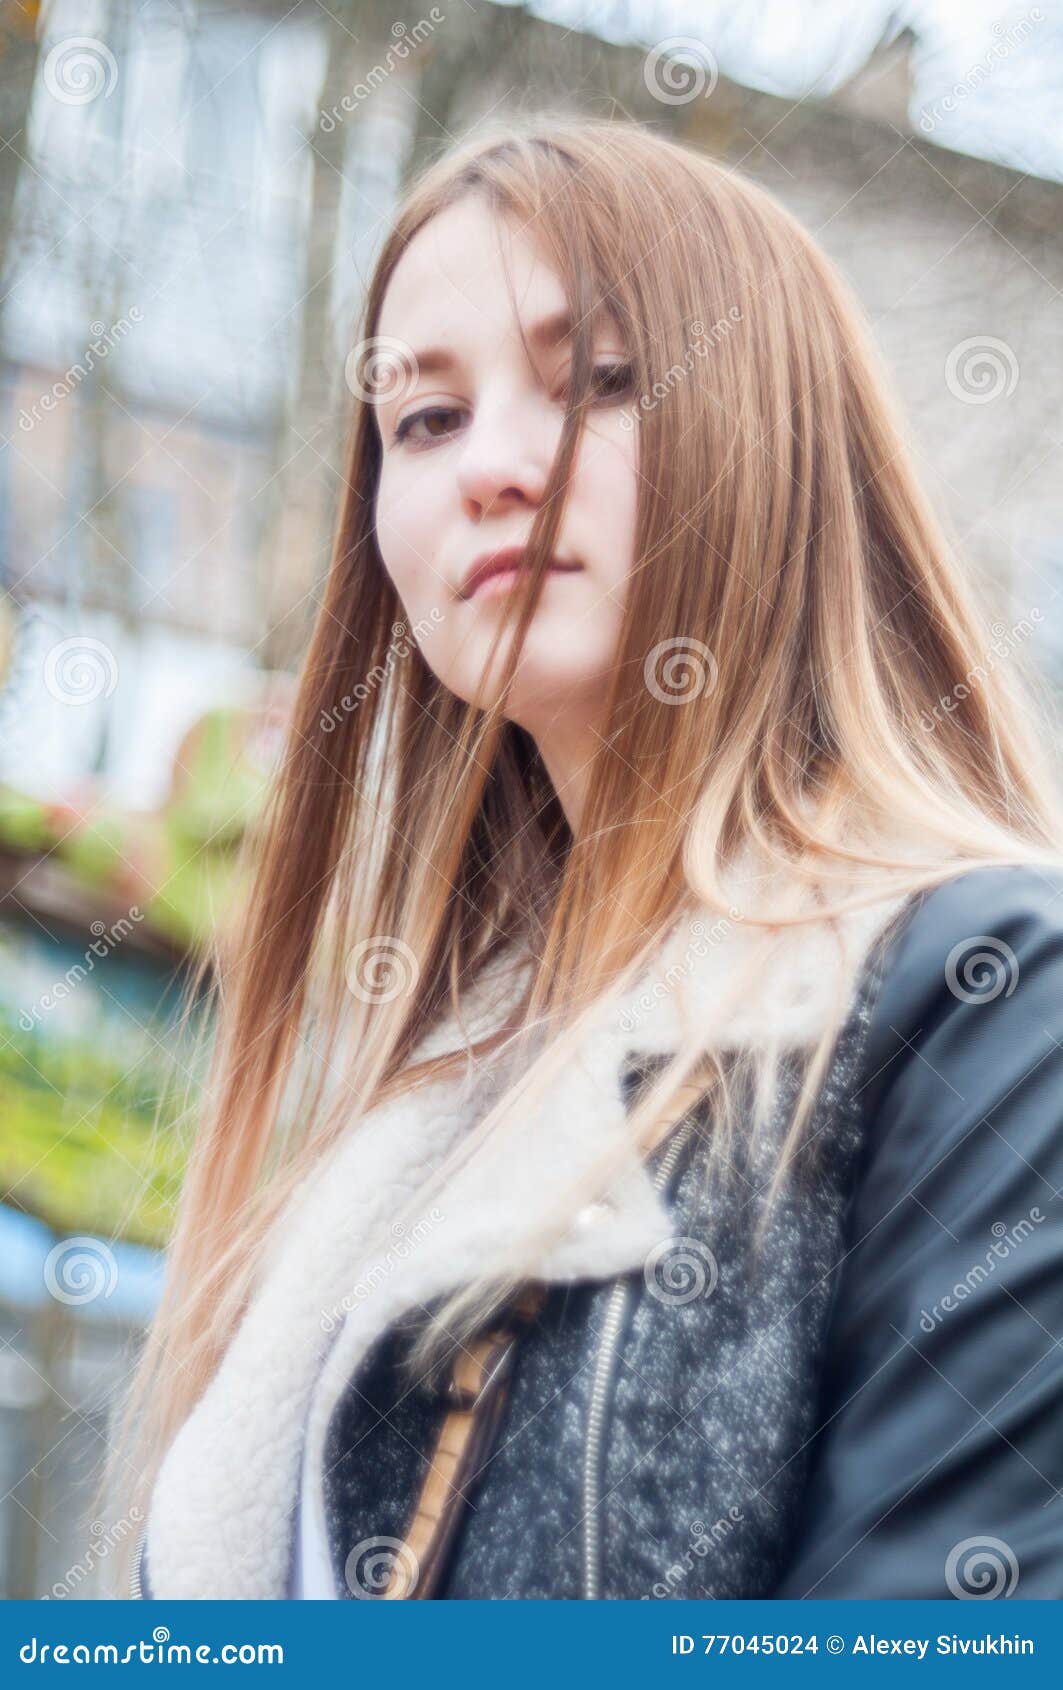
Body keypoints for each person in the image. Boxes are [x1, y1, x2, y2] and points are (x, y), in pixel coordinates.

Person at [106, 116, 1063, 1601]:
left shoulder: (990, 998)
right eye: (422, 418)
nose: (493, 467)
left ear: (778, 441)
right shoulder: (401, 1103)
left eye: (600, 379)